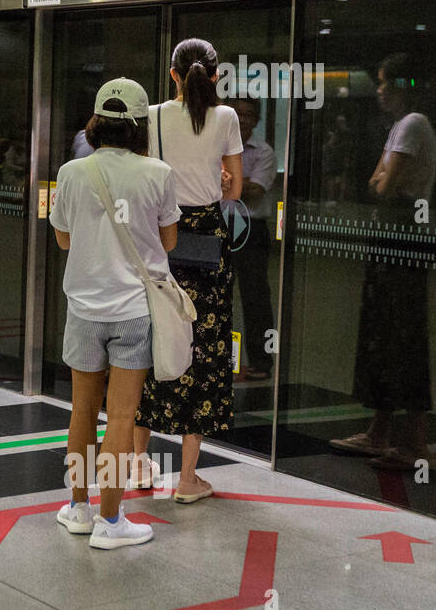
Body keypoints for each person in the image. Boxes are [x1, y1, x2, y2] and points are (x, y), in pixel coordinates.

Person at [51, 79, 179, 548]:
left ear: (96, 121)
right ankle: (111, 522)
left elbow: (64, 238)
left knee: (81, 411)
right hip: (134, 311)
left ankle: (79, 508)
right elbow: (168, 242)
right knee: (121, 416)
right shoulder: (158, 172)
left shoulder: (71, 172)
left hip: (84, 307)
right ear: (140, 125)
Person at [133, 38, 244, 503]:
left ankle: (138, 466)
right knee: (203, 348)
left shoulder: (154, 115)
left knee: (150, 342)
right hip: (206, 241)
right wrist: (216, 178)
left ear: (173, 74)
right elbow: (235, 188)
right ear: (215, 75)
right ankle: (187, 479)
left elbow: (143, 173)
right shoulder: (227, 118)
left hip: (160, 235)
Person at [331, 54, 436, 471]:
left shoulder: (413, 125)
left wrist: (381, 178)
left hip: (403, 238)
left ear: (402, 85)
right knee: (381, 333)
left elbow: (382, 186)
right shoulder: (399, 127)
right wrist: (380, 178)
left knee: (403, 333)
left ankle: (414, 442)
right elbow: (376, 179)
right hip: (388, 238)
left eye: (383, 82)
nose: (378, 89)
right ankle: (379, 430)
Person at [231, 97, 276, 380]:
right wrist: (236, 184)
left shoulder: (265, 152)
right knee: (219, 295)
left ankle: (260, 363)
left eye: (249, 115)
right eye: (238, 114)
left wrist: (229, 182)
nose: (243, 119)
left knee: (255, 297)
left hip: (252, 227)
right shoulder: (219, 149)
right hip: (225, 223)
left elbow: (256, 191)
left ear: (257, 120)